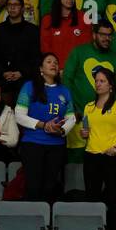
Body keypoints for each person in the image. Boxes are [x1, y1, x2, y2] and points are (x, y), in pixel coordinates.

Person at [82, 66, 116, 230]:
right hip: (91, 155)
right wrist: (84, 133)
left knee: (114, 197)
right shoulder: (89, 107)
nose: (98, 84)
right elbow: (86, 132)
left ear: (111, 85)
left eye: (102, 81)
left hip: (113, 156)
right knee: (92, 196)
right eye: (96, 81)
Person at [16, 53, 74, 203]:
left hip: (57, 146)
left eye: (56, 62)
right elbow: (19, 115)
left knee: (50, 189)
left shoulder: (64, 91)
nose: (53, 64)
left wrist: (61, 130)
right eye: (49, 62)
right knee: (33, 187)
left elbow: (71, 118)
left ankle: (48, 225)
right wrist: (44, 125)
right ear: (41, 68)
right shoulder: (29, 86)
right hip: (33, 144)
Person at [0, 0, 40, 103]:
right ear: (6, 8)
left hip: (25, 81)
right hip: (1, 81)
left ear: (22, 8)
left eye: (16, 5)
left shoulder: (33, 31)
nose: (12, 7)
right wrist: (2, 73)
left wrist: (21, 72)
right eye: (9, 5)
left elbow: (36, 58)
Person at [63, 20, 116, 117]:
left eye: (109, 35)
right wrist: (71, 108)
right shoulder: (79, 52)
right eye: (103, 35)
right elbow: (67, 80)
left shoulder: (115, 58)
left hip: (105, 115)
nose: (107, 38)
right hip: (79, 114)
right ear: (94, 35)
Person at [40, 0, 91, 70]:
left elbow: (87, 46)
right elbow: (45, 48)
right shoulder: (48, 19)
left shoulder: (83, 18)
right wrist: (55, 69)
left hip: (78, 70)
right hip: (56, 70)